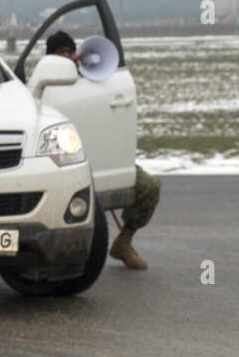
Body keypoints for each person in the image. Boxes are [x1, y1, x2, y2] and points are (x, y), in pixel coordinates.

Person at [44, 31, 158, 269]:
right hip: (66, 166)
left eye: (69, 53)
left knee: (149, 187)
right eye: (60, 55)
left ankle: (124, 242)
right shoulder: (44, 88)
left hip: (104, 163)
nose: (67, 59)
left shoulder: (92, 84)